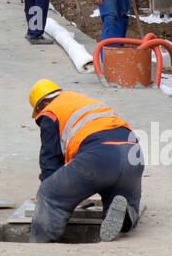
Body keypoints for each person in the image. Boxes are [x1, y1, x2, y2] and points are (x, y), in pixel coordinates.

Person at [28, 79, 142, 243]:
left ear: (42, 104)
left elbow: (50, 159)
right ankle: (126, 215)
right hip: (133, 155)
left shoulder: (50, 112)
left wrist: (50, 187)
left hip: (99, 156)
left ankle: (41, 243)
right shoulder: (81, 101)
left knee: (49, 195)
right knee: (116, 194)